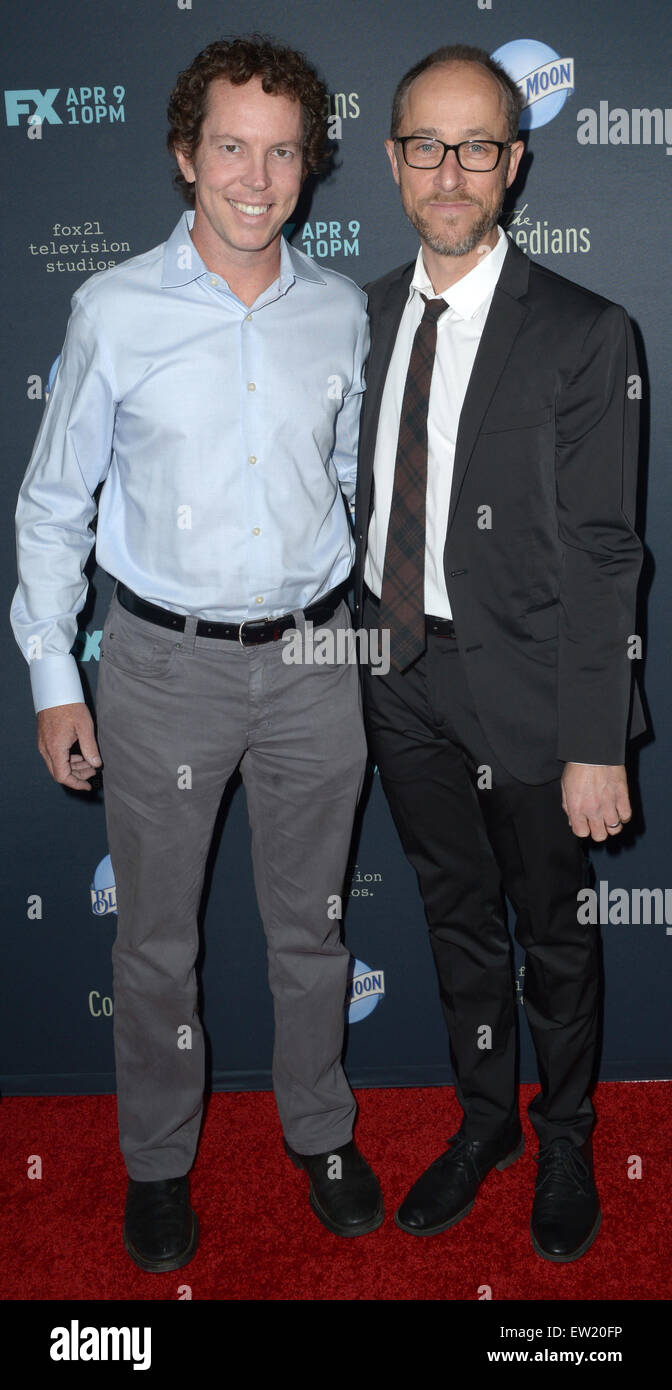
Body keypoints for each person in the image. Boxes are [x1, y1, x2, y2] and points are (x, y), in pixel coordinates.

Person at [11, 35, 383, 1272]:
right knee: (155, 943)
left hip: (316, 662)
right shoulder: (112, 309)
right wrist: (58, 677)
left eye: (282, 151)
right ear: (186, 156)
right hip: (162, 670)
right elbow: (54, 505)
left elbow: (340, 482)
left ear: (309, 165)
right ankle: (161, 1163)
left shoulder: (338, 314)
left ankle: (320, 1129)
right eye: (231, 145)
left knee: (312, 927)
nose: (256, 175)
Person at [353, 43, 644, 1262]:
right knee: (456, 920)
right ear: (394, 161)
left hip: (527, 689)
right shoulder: (355, 316)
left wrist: (595, 743)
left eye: (479, 146)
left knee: (557, 932)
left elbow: (606, 552)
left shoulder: (585, 332)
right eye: (429, 144)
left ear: (514, 165)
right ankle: (488, 1124)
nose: (452, 170)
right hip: (394, 673)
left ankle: (566, 1132)